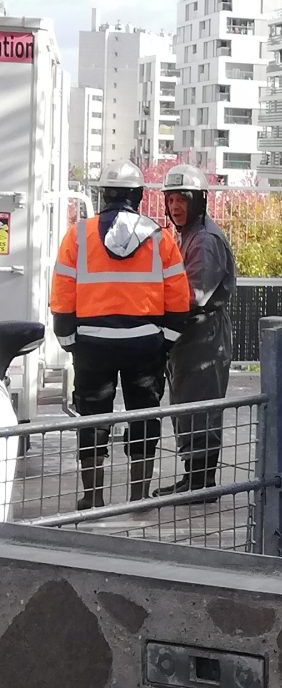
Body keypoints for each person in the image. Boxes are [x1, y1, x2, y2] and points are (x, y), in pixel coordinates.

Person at [49, 161, 191, 509]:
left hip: (92, 345)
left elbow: (63, 292)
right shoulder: (160, 237)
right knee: (144, 417)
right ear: (139, 196)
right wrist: (165, 342)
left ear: (102, 195)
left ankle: (93, 497)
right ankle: (138, 498)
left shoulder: (78, 235)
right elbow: (179, 298)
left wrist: (69, 340)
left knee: (93, 418)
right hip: (144, 345)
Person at [160, 164, 237, 494]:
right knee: (186, 406)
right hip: (190, 334)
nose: (176, 206)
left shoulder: (204, 240)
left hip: (204, 334)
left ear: (199, 201)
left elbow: (194, 295)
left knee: (199, 406)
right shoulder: (188, 235)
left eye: (182, 199)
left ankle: (200, 482)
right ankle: (193, 478)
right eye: (171, 199)